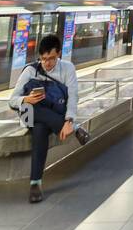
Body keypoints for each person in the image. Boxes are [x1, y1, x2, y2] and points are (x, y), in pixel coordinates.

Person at [9, 34, 90, 203]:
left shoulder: (68, 68)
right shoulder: (30, 70)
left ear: (59, 54)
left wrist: (69, 119)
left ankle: (35, 183)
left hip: (52, 115)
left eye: (51, 58)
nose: (47, 63)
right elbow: (12, 100)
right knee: (35, 111)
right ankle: (76, 130)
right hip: (29, 113)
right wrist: (26, 99)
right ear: (39, 56)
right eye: (44, 59)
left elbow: (73, 96)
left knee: (40, 130)